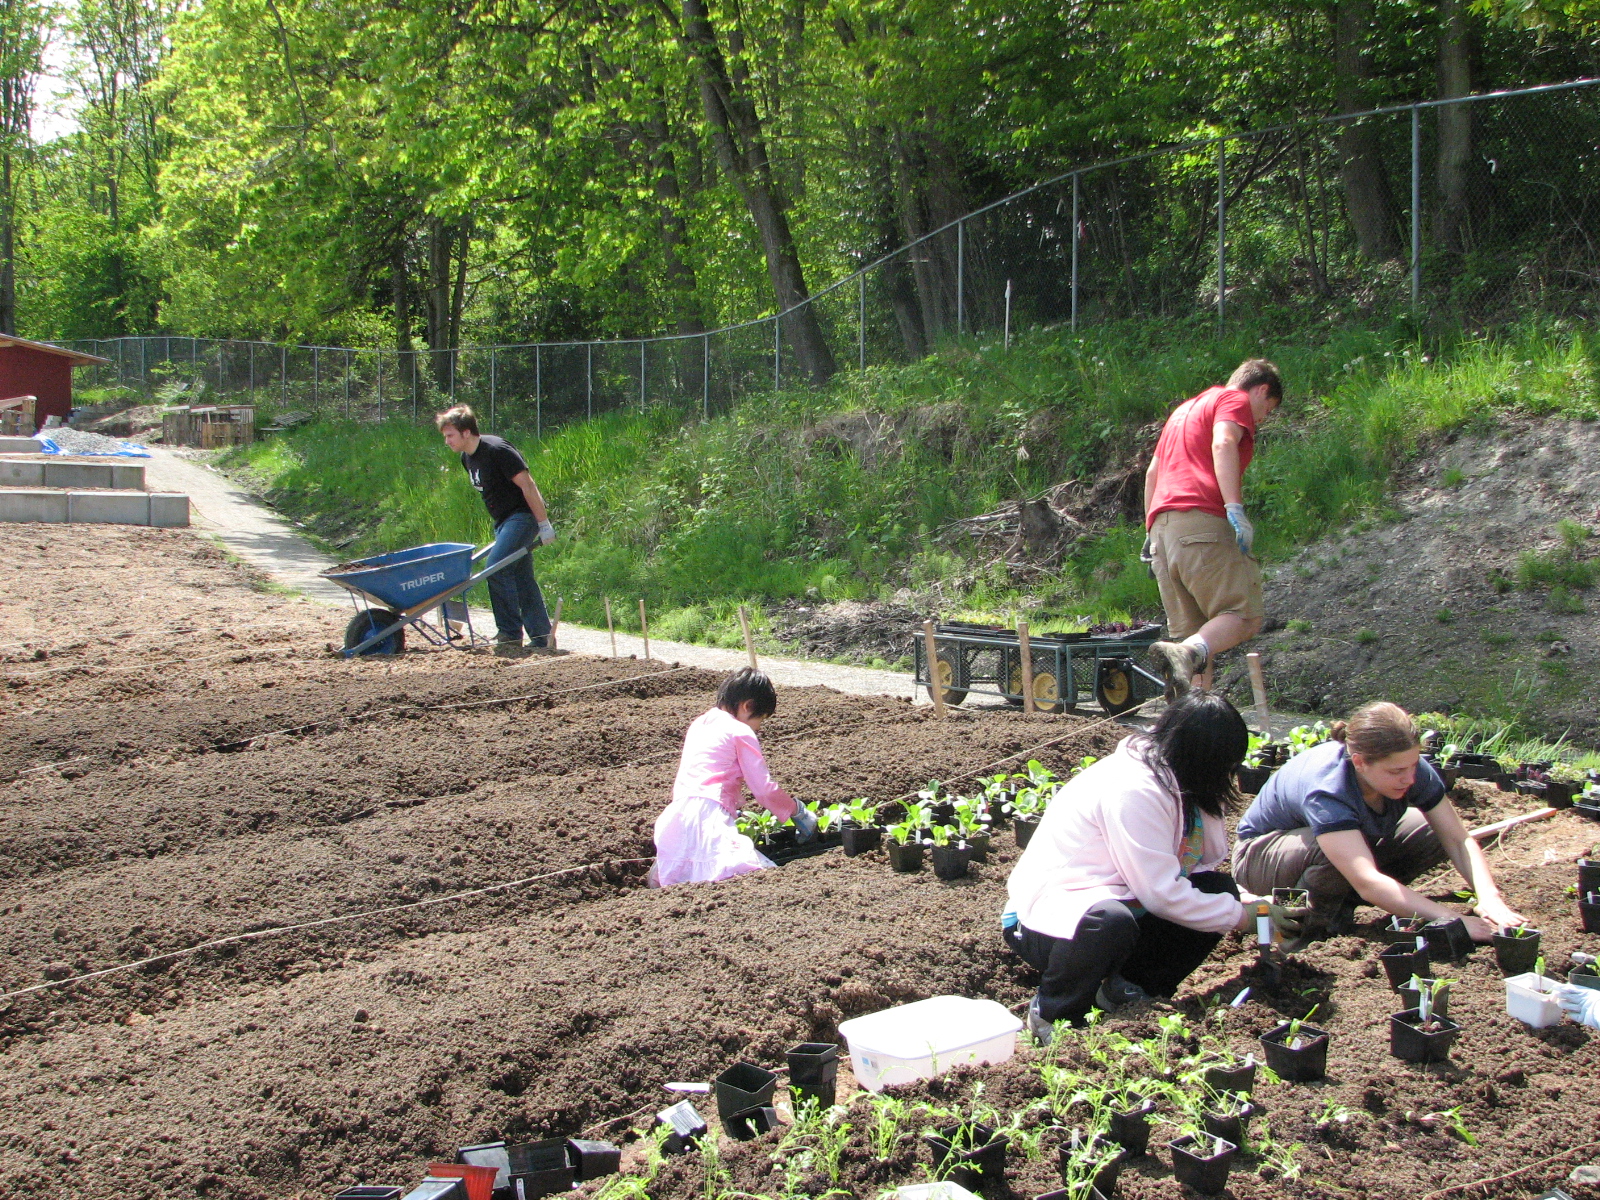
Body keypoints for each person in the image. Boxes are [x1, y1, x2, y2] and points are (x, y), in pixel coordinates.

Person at [1002, 691, 1308, 1039]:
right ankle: (1055, 1013)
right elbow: (1161, 894)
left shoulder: (1183, 783)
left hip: (1125, 900)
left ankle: (1124, 991)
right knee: (1109, 922)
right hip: (1047, 922)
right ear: (1201, 760)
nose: (1229, 778)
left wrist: (1243, 899)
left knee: (1219, 889)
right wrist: (1241, 917)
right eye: (1224, 768)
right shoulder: (1133, 789)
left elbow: (1195, 866)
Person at [1234, 701, 1528, 944]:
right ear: (1360, 762)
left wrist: (1489, 897)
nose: (1409, 778)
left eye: (1414, 765)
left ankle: (1344, 897)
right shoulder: (1328, 789)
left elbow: (1457, 839)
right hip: (1262, 860)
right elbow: (1367, 881)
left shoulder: (1407, 767)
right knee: (1330, 855)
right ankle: (1314, 925)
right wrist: (1451, 918)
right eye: (1397, 771)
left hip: (1340, 847)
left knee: (1427, 828)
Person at [1142, 359, 1283, 696]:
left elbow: (1152, 474)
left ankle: (1188, 731)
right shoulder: (1232, 399)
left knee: (1195, 641)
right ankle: (1186, 653)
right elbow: (1223, 443)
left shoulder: (1182, 413)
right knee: (1243, 616)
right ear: (1260, 389)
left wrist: (1150, 536)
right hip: (1201, 522)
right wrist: (1234, 507)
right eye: (1268, 406)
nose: (1263, 417)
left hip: (1163, 531)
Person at [652, 668, 817, 887]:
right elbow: (764, 790)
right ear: (747, 706)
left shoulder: (700, 724)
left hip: (676, 817)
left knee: (680, 883)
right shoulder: (740, 730)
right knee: (756, 879)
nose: (758, 727)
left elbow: (710, 772)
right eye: (761, 719)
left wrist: (733, 805)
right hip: (707, 818)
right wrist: (797, 811)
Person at [435, 405, 555, 653]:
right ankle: (543, 638)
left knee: (495, 568)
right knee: (522, 579)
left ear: (466, 432)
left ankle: (509, 635)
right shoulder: (466, 458)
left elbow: (528, 486)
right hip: (502, 522)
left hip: (522, 517)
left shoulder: (497, 450)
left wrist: (543, 524)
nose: (447, 441)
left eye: (450, 436)